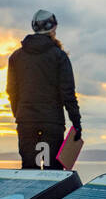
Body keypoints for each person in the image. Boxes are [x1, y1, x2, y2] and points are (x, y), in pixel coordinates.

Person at [6, 9, 83, 169]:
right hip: (52, 122)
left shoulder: (16, 57)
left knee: (29, 170)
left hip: (26, 121)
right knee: (52, 172)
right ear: (53, 29)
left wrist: (19, 114)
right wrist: (76, 122)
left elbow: (12, 91)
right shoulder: (59, 56)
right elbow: (67, 93)